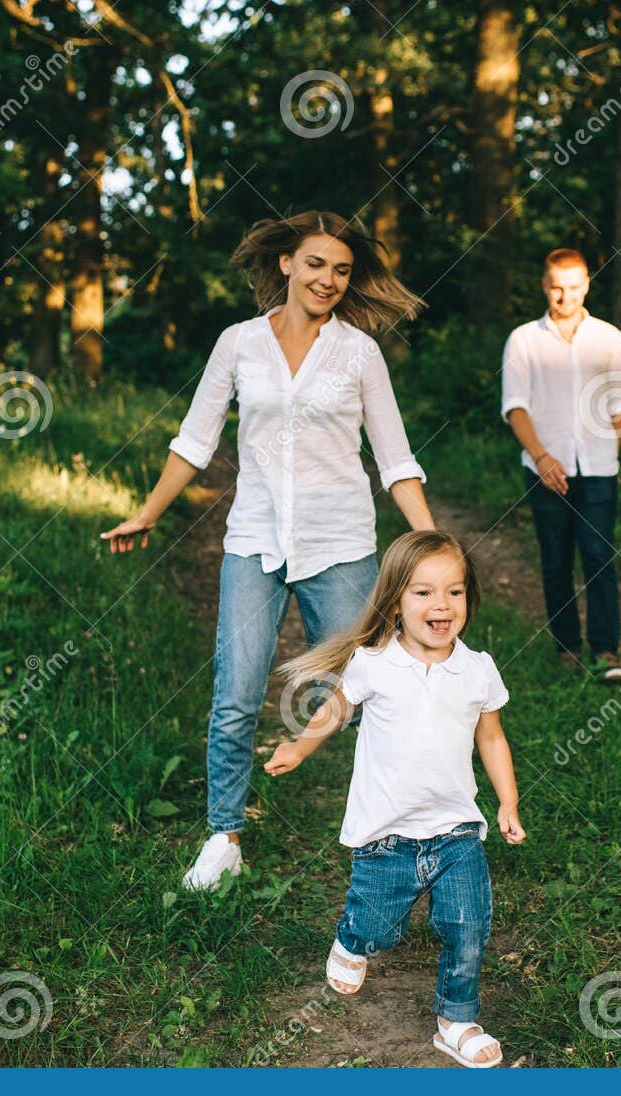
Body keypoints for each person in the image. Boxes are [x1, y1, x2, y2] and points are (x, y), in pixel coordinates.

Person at [101, 211, 435, 891]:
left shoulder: (359, 353)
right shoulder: (239, 344)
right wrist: (146, 513)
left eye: (342, 270)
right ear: (285, 263)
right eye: (316, 264)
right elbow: (194, 443)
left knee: (367, 695)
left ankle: (399, 836)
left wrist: (433, 547)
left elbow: (395, 461)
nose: (329, 280)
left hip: (340, 542)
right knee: (235, 695)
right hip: (254, 538)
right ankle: (223, 835)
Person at [265, 530, 524, 1068]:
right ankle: (352, 939)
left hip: (456, 829)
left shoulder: (477, 668)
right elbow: (334, 708)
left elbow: (491, 737)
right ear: (396, 601)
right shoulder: (374, 661)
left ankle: (457, 1019)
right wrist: (300, 747)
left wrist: (507, 802)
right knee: (380, 926)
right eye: (423, 592)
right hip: (387, 833)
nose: (441, 605)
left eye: (454, 592)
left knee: (467, 924)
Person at [500, 248, 621, 683]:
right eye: (557, 286)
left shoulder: (609, 338)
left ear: (587, 284)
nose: (565, 296)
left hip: (597, 468)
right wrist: (541, 456)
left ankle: (606, 649)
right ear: (544, 285)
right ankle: (567, 648)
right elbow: (515, 407)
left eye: (574, 286)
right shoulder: (523, 340)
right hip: (544, 468)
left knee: (598, 556)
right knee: (556, 559)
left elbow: (618, 406)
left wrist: (607, 453)